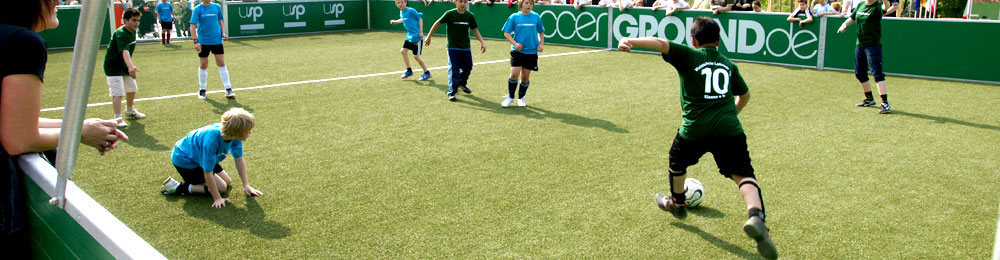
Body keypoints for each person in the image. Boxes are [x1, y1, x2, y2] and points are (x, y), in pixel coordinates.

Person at [617, 17, 777, 260]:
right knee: (743, 174)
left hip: (694, 129)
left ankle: (678, 203)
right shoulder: (729, 65)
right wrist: (729, 114)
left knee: (677, 162)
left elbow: (660, 43)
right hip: (729, 129)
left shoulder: (689, 55)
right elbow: (744, 95)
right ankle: (756, 216)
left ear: (693, 40)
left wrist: (629, 40)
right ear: (719, 41)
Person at [1, 0, 128, 251]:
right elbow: (17, 138)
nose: (58, 1)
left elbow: (11, 121)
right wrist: (79, 132)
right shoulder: (22, 41)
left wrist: (79, 124)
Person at [161, 108, 263, 208]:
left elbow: (239, 159)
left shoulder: (234, 136)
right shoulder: (211, 141)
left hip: (199, 155)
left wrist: (246, 185)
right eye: (248, 130)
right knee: (222, 188)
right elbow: (208, 173)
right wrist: (217, 198)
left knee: (227, 181)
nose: (250, 132)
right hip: (186, 159)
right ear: (236, 132)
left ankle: (195, 180)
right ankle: (178, 187)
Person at [424, 0, 487, 101]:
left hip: (465, 47)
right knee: (454, 68)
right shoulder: (449, 14)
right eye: (460, 1)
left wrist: (482, 42)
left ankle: (462, 83)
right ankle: (452, 92)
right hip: (452, 47)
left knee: (468, 67)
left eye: (465, 1)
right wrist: (428, 36)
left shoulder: (470, 16)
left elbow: (475, 29)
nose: (463, 3)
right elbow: (437, 23)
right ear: (455, 2)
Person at [838, 0, 890, 113]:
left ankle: (885, 103)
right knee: (859, 73)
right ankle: (869, 99)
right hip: (860, 45)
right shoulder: (861, 4)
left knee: (877, 73)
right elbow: (853, 17)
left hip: (873, 45)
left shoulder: (877, 7)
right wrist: (844, 24)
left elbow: (886, 7)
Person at [104, 8, 146, 129]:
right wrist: (130, 66)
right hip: (113, 67)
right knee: (118, 93)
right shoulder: (121, 33)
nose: (136, 23)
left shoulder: (133, 31)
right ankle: (117, 118)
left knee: (132, 88)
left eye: (138, 20)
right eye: (134, 20)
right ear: (125, 20)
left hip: (124, 66)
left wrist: (129, 66)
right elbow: (125, 51)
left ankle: (130, 110)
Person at [501, 0, 544, 108]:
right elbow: (506, 33)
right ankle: (510, 97)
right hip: (517, 51)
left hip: (531, 52)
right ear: (521, 4)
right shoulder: (514, 17)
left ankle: (521, 97)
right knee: (514, 74)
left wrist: (541, 44)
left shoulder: (536, 17)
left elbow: (541, 32)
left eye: (530, 3)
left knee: (525, 77)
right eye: (526, 3)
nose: (529, 5)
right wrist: (515, 43)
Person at [190, 0, 235, 100]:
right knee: (203, 64)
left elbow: (220, 21)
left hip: (217, 40)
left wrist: (223, 33)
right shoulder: (197, 9)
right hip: (203, 41)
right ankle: (202, 90)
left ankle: (228, 89)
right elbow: (192, 26)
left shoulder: (216, 7)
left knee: (221, 63)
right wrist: (195, 41)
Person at [390, 0, 431, 81]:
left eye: (402, 2)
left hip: (417, 37)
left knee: (416, 56)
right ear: (396, 4)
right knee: (403, 51)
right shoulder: (401, 12)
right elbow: (403, 19)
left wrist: (421, 32)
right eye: (398, 3)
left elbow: (420, 19)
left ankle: (427, 73)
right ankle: (409, 71)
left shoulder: (411, 10)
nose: (400, 4)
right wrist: (396, 22)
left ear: (405, 3)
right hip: (409, 36)